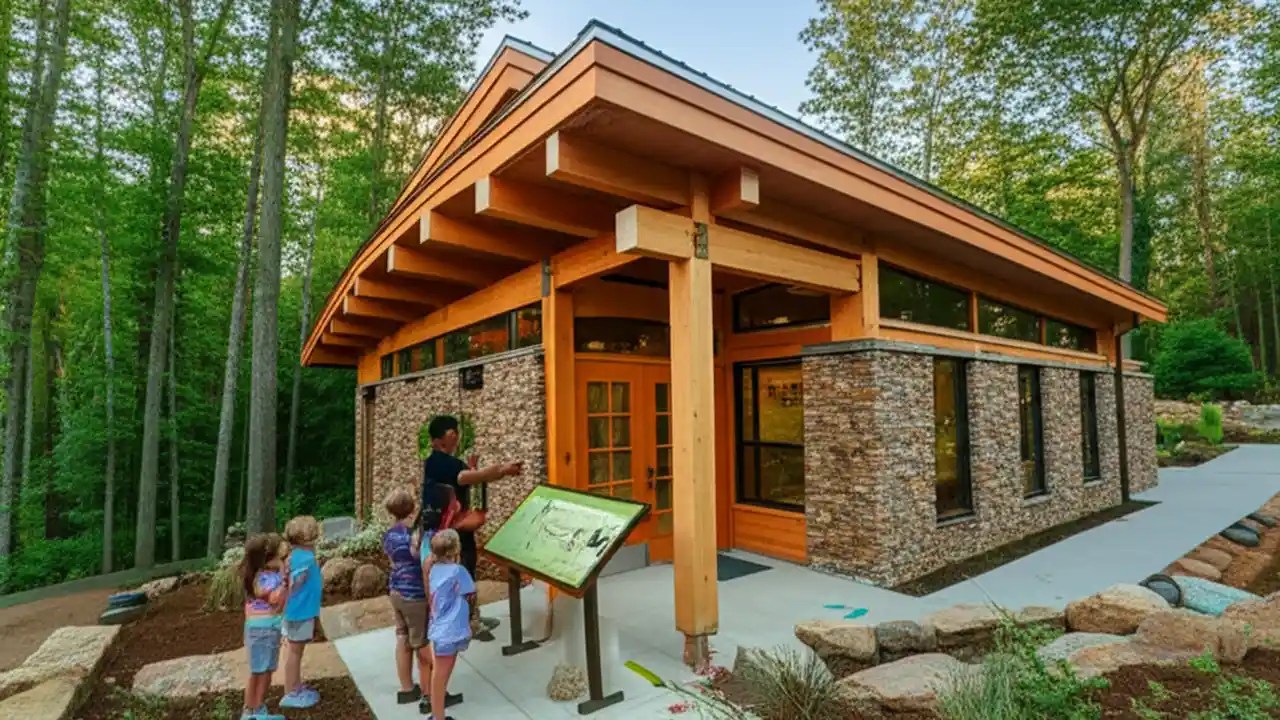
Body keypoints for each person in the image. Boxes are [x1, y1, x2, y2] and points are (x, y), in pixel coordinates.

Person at [421, 415, 521, 638]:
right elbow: (473, 477)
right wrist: (503, 469)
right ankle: (469, 623)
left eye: (456, 431)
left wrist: (475, 469)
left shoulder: (435, 462)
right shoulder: (444, 463)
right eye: (452, 432)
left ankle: (470, 616)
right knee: (462, 574)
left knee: (462, 572)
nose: (456, 435)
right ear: (441, 438)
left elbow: (469, 477)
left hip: (447, 530)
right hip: (454, 532)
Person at [381, 489, 433, 706]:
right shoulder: (415, 536)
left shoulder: (388, 535)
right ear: (411, 508)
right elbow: (421, 560)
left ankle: (406, 687)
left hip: (396, 590)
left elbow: (392, 560)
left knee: (402, 637)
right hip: (414, 594)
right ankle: (431, 691)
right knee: (421, 641)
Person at [426, 529, 475, 720]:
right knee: (440, 674)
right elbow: (470, 592)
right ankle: (438, 717)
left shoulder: (434, 569)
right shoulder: (457, 571)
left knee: (442, 672)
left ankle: (437, 713)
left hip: (440, 628)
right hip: (451, 630)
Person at [240, 533, 289, 720]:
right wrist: (285, 578)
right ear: (268, 559)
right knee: (260, 671)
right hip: (263, 629)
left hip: (265, 628)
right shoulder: (264, 578)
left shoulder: (262, 575)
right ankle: (252, 710)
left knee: (264, 670)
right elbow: (275, 599)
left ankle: (255, 710)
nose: (284, 561)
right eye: (281, 557)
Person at [281, 516, 322, 709]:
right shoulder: (305, 559)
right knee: (295, 651)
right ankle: (291, 691)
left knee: (296, 650)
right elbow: (293, 584)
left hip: (299, 611)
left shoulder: (295, 556)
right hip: (299, 612)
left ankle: (295, 685)